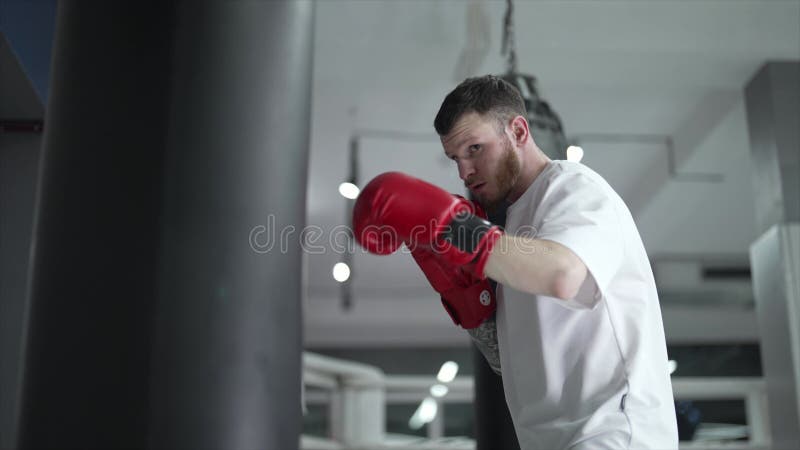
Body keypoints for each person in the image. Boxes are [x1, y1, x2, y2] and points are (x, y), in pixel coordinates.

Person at [352, 75, 678, 450]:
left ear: (519, 131)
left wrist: (456, 231)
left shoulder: (572, 188)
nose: (464, 172)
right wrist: (472, 307)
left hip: (613, 436)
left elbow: (563, 274)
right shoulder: (507, 233)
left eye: (475, 148)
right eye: (455, 158)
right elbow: (517, 370)